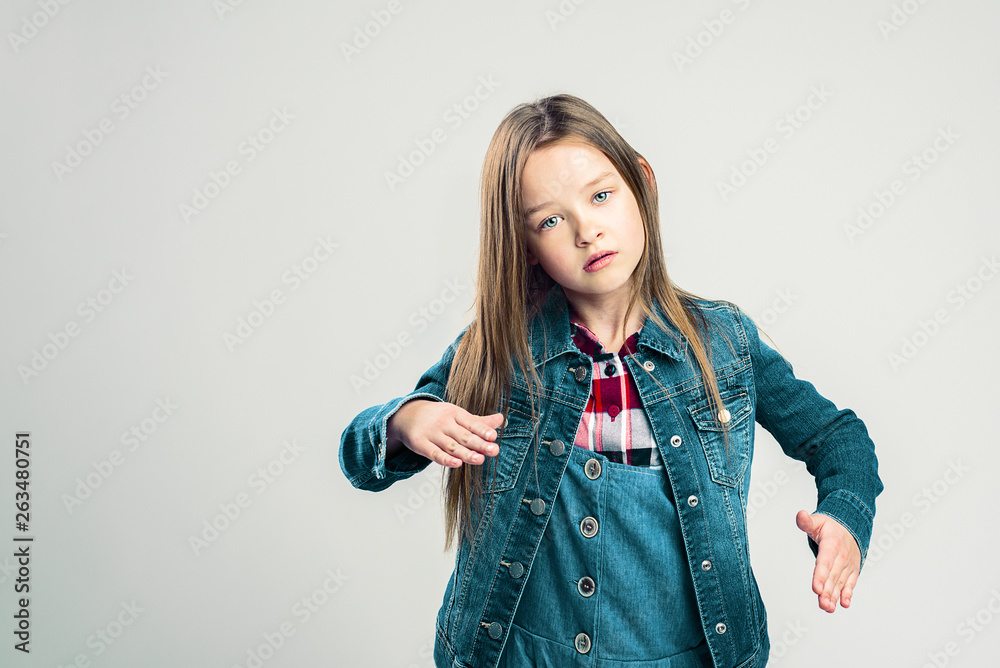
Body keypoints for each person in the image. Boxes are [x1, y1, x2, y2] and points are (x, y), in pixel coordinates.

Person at [339, 93, 883, 668]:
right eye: (550, 220)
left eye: (601, 196)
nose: (586, 231)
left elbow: (838, 436)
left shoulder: (724, 344)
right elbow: (357, 455)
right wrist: (406, 421)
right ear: (525, 245)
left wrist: (845, 518)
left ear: (641, 184)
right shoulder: (498, 349)